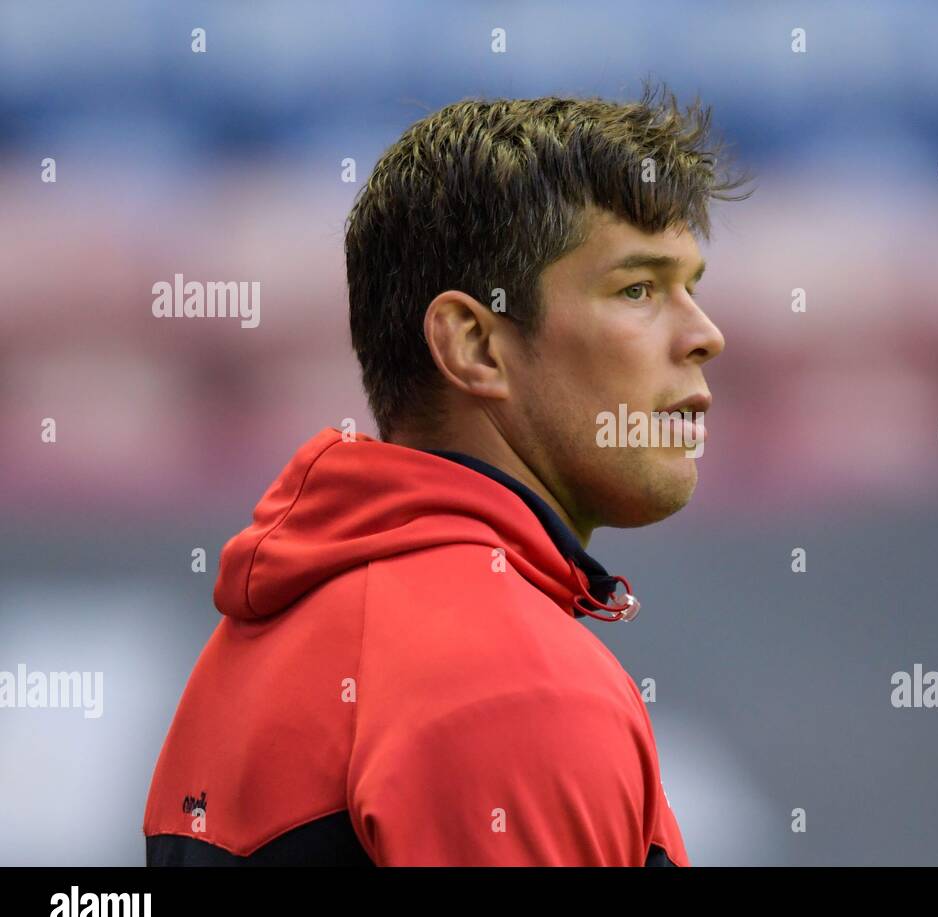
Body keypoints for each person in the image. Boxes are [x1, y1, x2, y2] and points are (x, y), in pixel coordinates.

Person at [142, 80, 753, 865]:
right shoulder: (514, 690)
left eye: (691, 289)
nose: (706, 336)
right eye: (637, 289)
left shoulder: (281, 625)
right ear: (473, 345)